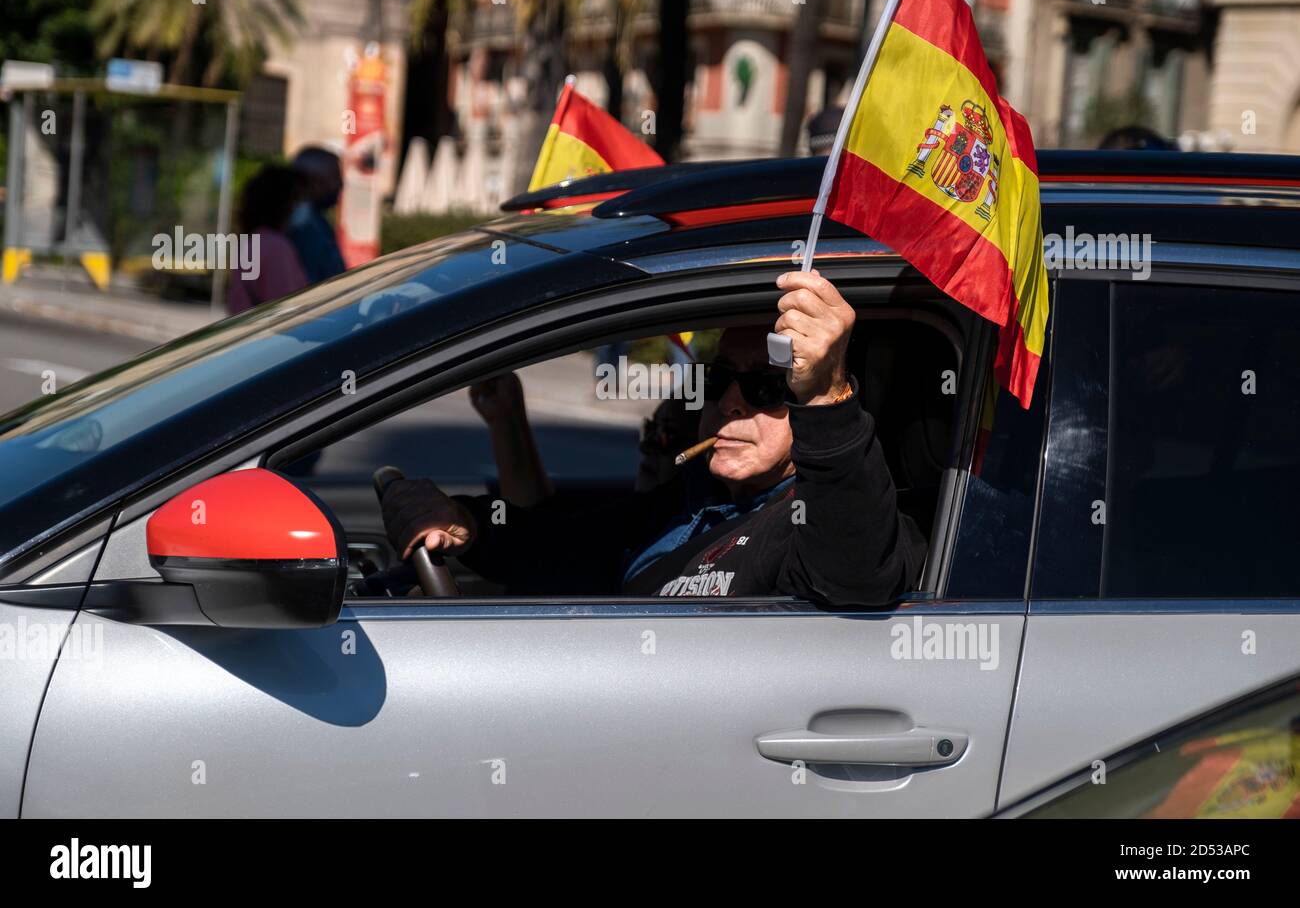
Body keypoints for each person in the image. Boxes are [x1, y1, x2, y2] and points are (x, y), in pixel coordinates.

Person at [381, 271, 926, 606]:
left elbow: (856, 574)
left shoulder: (811, 519)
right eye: (717, 380)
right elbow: (567, 549)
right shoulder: (693, 501)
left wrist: (829, 400)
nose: (730, 403)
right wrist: (468, 522)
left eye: (767, 386)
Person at [226, 165, 310, 314]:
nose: (301, 206)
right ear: (283, 203)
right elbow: (288, 309)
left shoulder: (253, 240)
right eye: (297, 199)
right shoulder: (276, 246)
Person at [287, 146, 348, 283]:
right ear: (313, 181)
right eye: (335, 177)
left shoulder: (312, 221)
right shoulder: (303, 226)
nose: (340, 185)